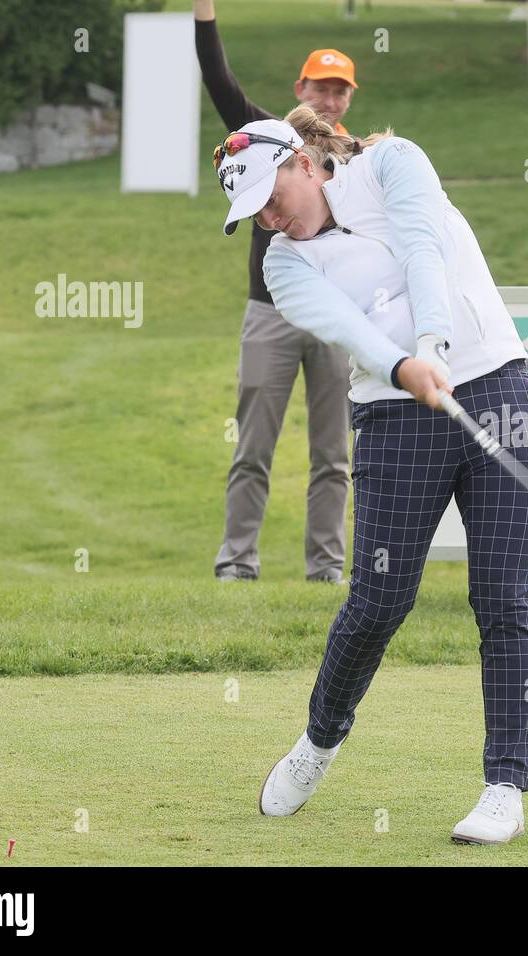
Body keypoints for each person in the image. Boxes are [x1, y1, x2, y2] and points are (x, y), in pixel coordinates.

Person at [213, 107, 528, 845]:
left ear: (304, 161)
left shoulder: (392, 163)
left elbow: (426, 248)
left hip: (497, 387)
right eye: (255, 213)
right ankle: (318, 742)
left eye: (273, 197)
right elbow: (347, 329)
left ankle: (503, 787)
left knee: (504, 600)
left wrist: (431, 338)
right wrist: (404, 366)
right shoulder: (282, 262)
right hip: (394, 417)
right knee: (379, 600)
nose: (270, 219)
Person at [194, 0, 359, 583]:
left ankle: (326, 569)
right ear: (301, 87)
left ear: (350, 98)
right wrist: (204, 14)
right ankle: (236, 562)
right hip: (270, 313)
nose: (329, 100)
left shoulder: (353, 158)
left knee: (334, 455)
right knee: (253, 447)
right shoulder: (266, 137)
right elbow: (218, 80)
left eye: (340, 91)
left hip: (335, 317)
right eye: (320, 87)